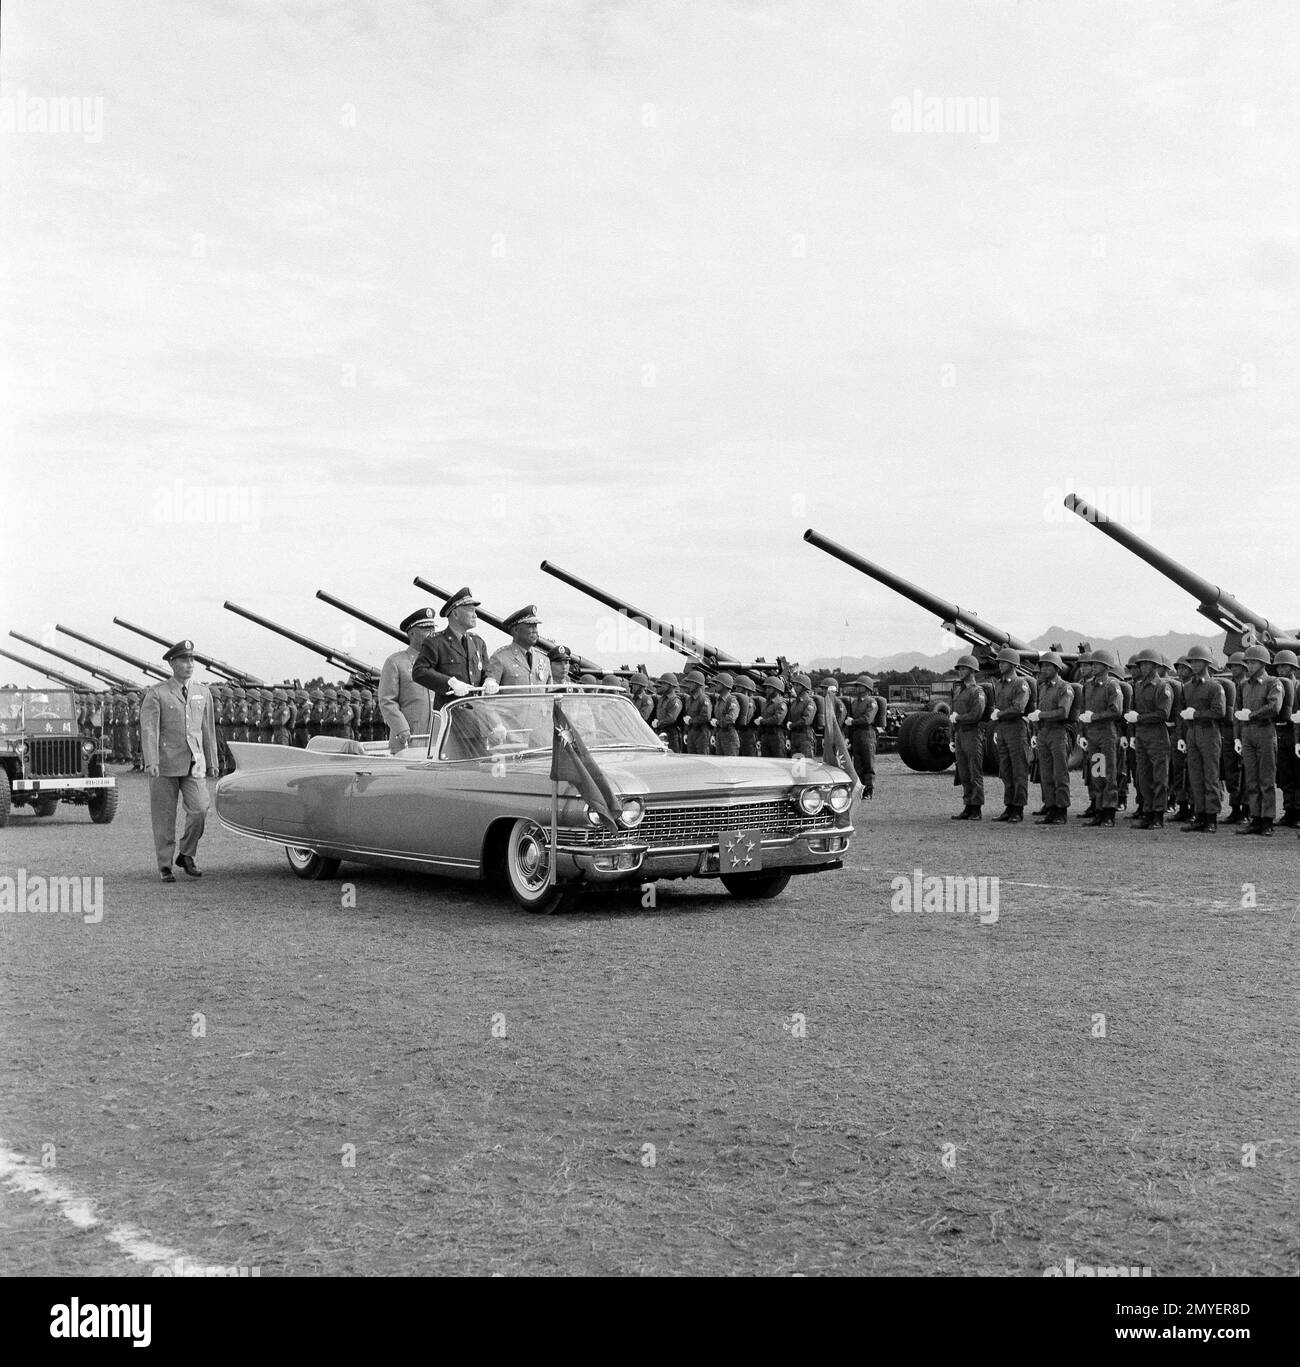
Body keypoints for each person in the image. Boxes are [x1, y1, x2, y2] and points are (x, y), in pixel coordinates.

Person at [139, 640, 218, 883]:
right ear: (172, 663)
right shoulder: (157, 693)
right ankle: (165, 865)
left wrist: (213, 759)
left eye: (192, 660)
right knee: (164, 818)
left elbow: (207, 729)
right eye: (184, 660)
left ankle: (186, 854)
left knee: (200, 809)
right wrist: (151, 760)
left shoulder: (202, 692)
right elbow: (149, 729)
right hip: (164, 764)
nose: (190, 664)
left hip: (194, 763)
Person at [412, 587, 491, 710]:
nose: (475, 615)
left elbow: (487, 670)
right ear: (455, 614)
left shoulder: (478, 642)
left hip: (477, 716)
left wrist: (489, 680)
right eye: (471, 611)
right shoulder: (436, 642)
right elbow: (419, 671)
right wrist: (449, 683)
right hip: (450, 717)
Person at [1234, 644, 1283, 836]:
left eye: (1254, 662)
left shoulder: (1273, 683)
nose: (1250, 665)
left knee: (1266, 779)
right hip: (1248, 734)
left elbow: (1274, 707)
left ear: (1263, 663)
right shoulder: (1244, 685)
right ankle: (1255, 818)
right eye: (1248, 662)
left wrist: (1252, 715)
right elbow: (1237, 712)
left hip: (1265, 732)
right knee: (1251, 779)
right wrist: (1238, 736)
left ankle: (1268, 820)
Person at [1177, 644, 1226, 832]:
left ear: (1206, 663)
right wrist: (1183, 736)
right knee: (1195, 776)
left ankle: (1211, 818)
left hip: (1209, 733)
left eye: (1198, 661)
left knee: (1211, 776)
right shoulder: (1187, 687)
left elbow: (1219, 712)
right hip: (1192, 733)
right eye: (1192, 662)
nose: (1194, 665)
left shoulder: (1215, 686)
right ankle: (1199, 815)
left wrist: (1196, 714)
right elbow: (1182, 713)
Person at [378, 608, 439, 752]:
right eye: (425, 629)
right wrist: (401, 728)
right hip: (409, 739)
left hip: (437, 740)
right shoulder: (395, 662)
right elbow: (387, 700)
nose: (432, 633)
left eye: (433, 628)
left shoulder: (439, 662)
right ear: (412, 633)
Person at [1123, 648, 1172, 829]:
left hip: (1157, 735)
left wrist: (1139, 718)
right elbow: (1133, 709)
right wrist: (1134, 730)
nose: (1143, 667)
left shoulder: (1162, 687)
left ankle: (1158, 815)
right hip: (1142, 735)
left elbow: (1163, 713)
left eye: (1147, 664)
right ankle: (1148, 811)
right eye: (1141, 664)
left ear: (1155, 666)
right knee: (1143, 777)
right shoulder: (1138, 686)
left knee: (1159, 777)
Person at [1078, 649, 1125, 827]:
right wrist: (1083, 731)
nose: (1093, 667)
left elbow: (1116, 711)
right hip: (1093, 735)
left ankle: (1109, 812)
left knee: (1108, 773)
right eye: (1092, 664)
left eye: (1097, 664)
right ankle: (1099, 809)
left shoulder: (1112, 686)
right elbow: (1083, 710)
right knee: (1096, 773)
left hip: (1106, 734)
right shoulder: (1088, 686)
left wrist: (1094, 717)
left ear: (1106, 667)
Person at [1029, 652, 1072, 824]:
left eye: (1048, 666)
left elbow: (1063, 712)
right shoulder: (1043, 687)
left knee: (1060, 774)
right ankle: (1051, 808)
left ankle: (1061, 811)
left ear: (1056, 668)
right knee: (1046, 774)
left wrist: (1041, 716)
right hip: (1044, 733)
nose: (1044, 669)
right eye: (1043, 666)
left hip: (1058, 733)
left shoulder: (1064, 687)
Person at [990, 647, 1030, 822]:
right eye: (999, 662)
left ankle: (1018, 808)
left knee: (1018, 770)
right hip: (1004, 729)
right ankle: (1009, 806)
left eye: (1004, 662)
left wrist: (999, 714)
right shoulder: (999, 684)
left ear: (1013, 664)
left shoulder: (1020, 684)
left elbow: (1018, 708)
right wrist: (997, 727)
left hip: (1016, 729)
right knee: (1005, 770)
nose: (1000, 665)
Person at [949, 655, 987, 819]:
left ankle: (976, 808)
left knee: (974, 771)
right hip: (960, 734)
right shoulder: (958, 690)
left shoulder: (977, 691)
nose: (960, 672)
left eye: (963, 668)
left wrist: (958, 719)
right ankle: (968, 805)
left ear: (972, 670)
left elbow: (976, 714)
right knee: (963, 772)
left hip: (972, 733)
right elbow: (953, 714)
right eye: (959, 669)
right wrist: (952, 736)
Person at [487, 606, 553, 688]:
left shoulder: (544, 660)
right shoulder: (500, 658)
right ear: (516, 631)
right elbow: (489, 695)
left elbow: (550, 695)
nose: (535, 630)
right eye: (530, 626)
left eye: (535, 626)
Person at [846, 675, 884, 800]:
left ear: (867, 688)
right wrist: (848, 736)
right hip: (857, 734)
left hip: (867, 734)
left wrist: (853, 722)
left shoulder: (871, 702)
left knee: (868, 764)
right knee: (858, 764)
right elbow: (850, 720)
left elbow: (868, 719)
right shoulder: (855, 702)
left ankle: (868, 790)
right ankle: (860, 789)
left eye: (860, 685)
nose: (857, 688)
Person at [682, 669, 713, 754]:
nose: (689, 685)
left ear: (697, 684)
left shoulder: (704, 699)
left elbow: (706, 717)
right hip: (692, 732)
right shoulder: (689, 699)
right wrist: (686, 732)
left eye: (691, 683)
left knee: (702, 758)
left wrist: (690, 721)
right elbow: (687, 716)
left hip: (702, 733)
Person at [787, 673, 817, 760]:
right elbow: (790, 719)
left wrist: (792, 725)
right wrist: (788, 737)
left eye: (797, 685)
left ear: (804, 687)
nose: (794, 688)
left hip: (805, 737)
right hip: (794, 736)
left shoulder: (809, 702)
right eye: (794, 685)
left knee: (806, 764)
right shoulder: (795, 702)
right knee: (795, 767)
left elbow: (806, 720)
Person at [758, 677, 789, 758]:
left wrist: (762, 721)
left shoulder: (781, 703)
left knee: (779, 761)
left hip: (776, 735)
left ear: (777, 689)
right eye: (766, 687)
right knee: (766, 763)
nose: (766, 690)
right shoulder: (765, 704)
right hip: (765, 735)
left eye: (769, 688)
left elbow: (777, 719)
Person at [653, 673, 685, 751]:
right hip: (660, 731)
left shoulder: (675, 701)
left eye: (664, 684)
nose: (662, 686)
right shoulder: (661, 699)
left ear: (671, 685)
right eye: (661, 683)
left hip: (671, 733)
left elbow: (671, 718)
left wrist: (658, 723)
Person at [712, 672, 740, 756]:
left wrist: (717, 723)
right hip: (720, 735)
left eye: (718, 683)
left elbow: (731, 718)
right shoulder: (718, 701)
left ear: (724, 685)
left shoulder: (732, 700)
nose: (716, 685)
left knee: (730, 764)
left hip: (729, 737)